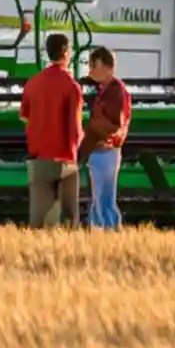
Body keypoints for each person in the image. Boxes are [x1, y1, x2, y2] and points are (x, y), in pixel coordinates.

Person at [19, 33, 84, 228]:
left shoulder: (33, 82)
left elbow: (24, 117)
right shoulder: (72, 86)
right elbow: (75, 128)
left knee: (38, 223)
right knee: (68, 222)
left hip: (39, 158)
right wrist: (75, 153)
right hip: (65, 159)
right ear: (66, 52)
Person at [78, 46, 132, 230]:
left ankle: (107, 232)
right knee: (101, 199)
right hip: (105, 150)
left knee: (102, 199)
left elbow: (112, 124)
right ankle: (104, 233)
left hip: (104, 150)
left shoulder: (114, 91)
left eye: (93, 64)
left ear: (106, 66)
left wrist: (89, 137)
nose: (90, 69)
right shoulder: (109, 90)